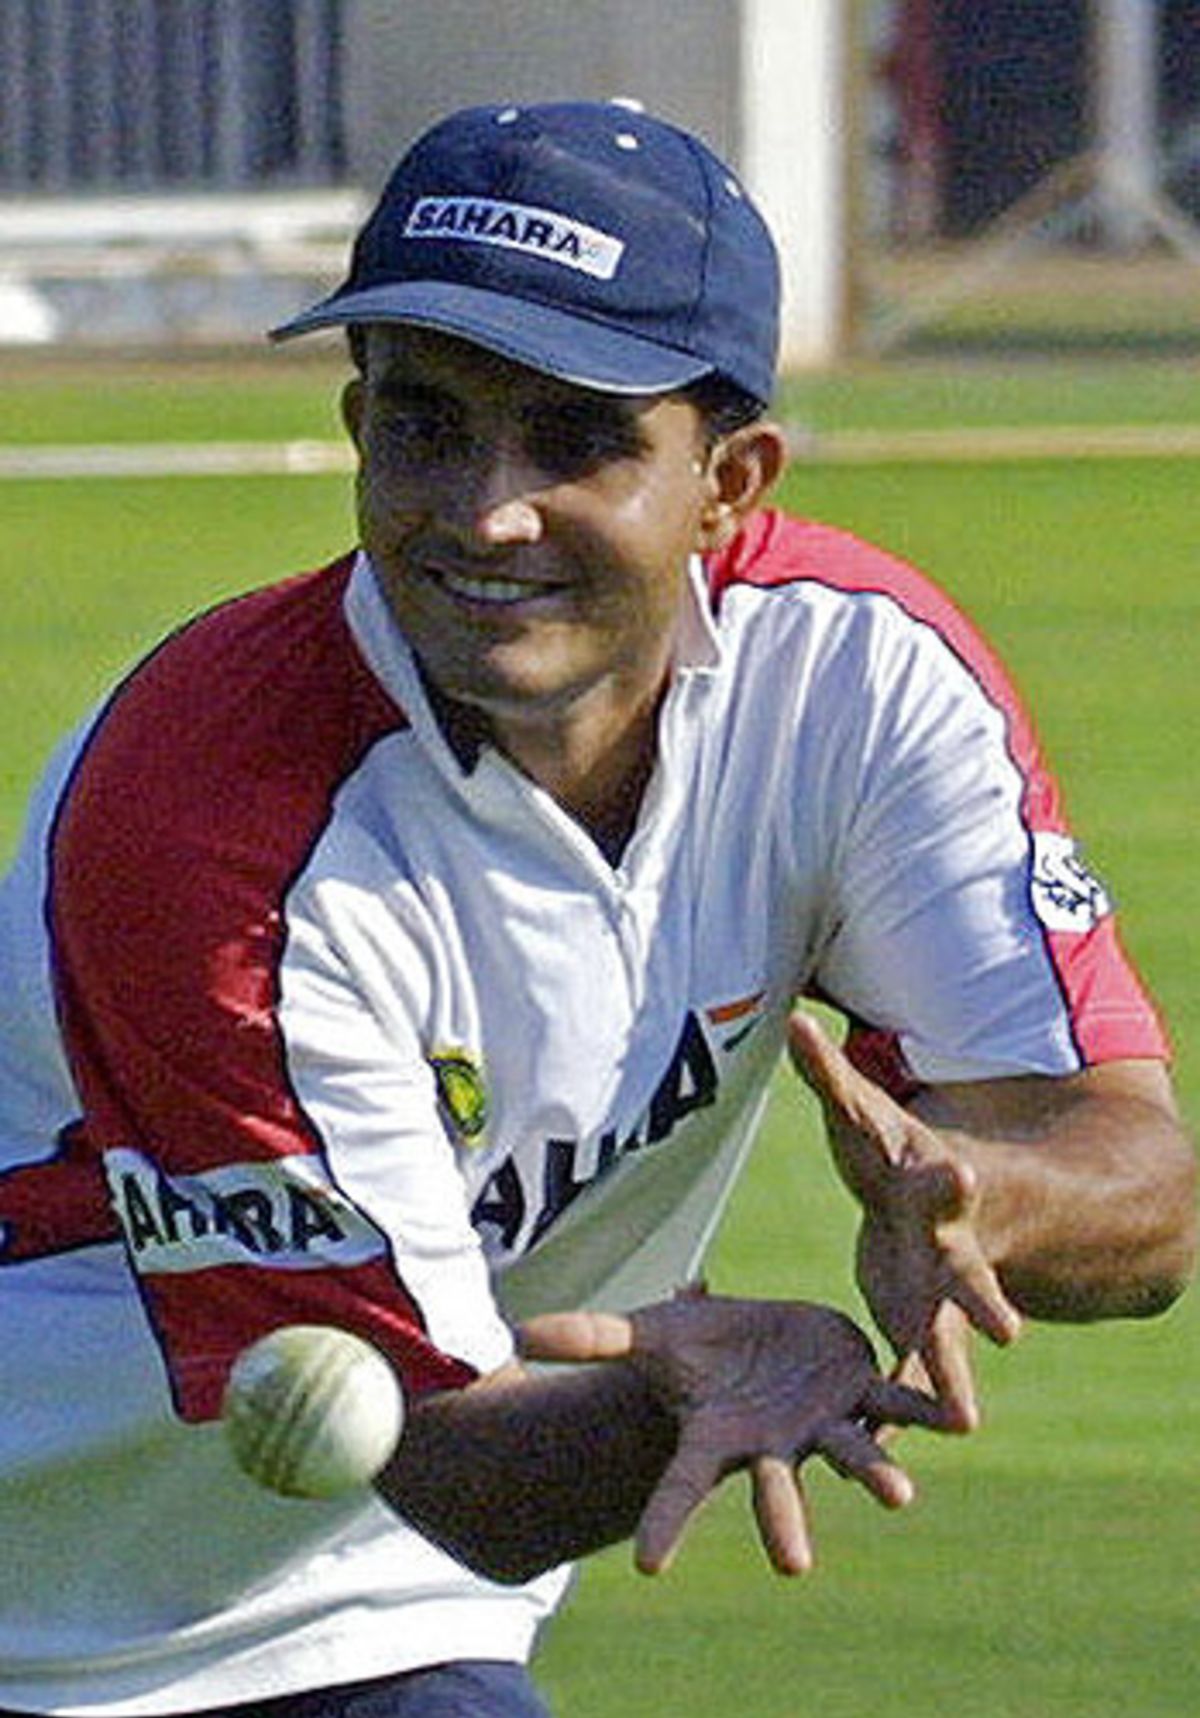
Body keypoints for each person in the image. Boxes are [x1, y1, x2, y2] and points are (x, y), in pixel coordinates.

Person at [0, 98, 1193, 1718]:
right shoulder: (214, 819)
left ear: (729, 478)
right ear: (357, 430)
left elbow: (1139, 1177)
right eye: (427, 423)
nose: (487, 512)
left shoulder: (852, 684)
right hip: (42, 1604)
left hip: (371, 1613)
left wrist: (994, 1191)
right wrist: (708, 1380)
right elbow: (450, 1462)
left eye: (576, 438)